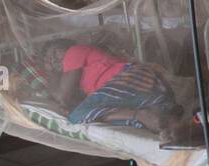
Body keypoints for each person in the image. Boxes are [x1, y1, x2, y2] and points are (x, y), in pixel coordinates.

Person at [42, 40, 182, 142]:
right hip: (143, 88)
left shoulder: (74, 51)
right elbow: (67, 99)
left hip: (128, 77)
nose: (54, 59)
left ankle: (140, 115)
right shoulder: (81, 76)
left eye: (55, 52)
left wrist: (51, 71)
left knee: (76, 116)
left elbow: (62, 95)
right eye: (49, 59)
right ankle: (168, 122)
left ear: (68, 46)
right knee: (92, 115)